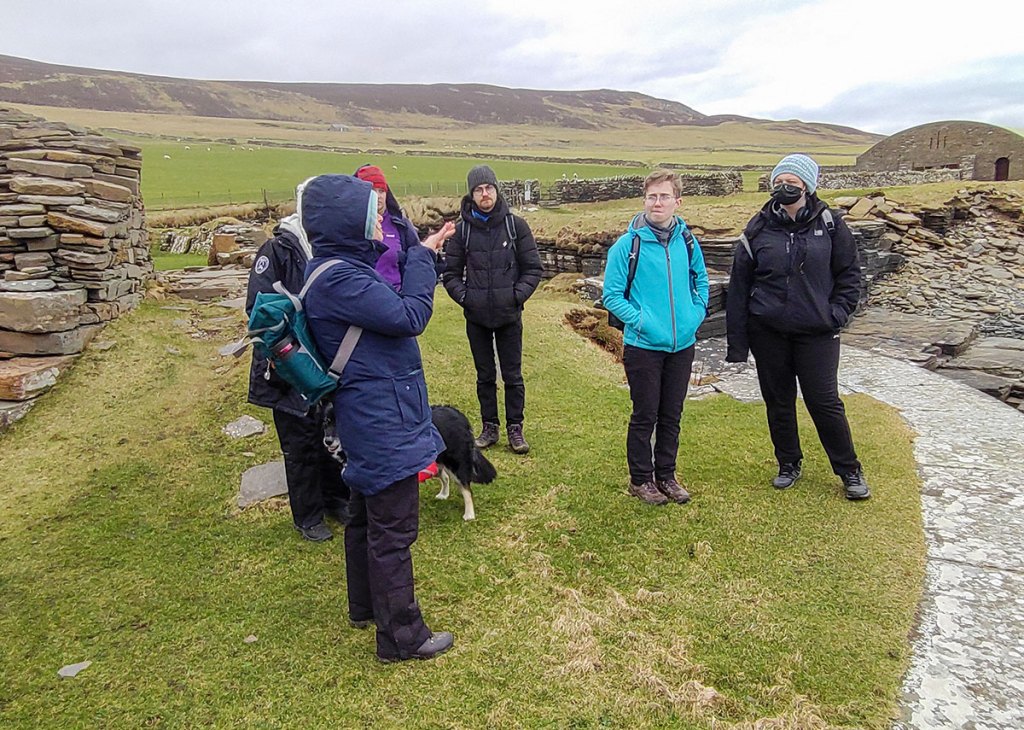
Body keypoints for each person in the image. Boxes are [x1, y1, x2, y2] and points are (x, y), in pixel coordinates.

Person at [302, 173, 456, 663]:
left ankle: (365, 606)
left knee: (365, 516)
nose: (378, 221)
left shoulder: (335, 268)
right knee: (394, 531)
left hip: (370, 411)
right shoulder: (341, 279)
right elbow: (410, 315)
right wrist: (425, 257)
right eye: (370, 213)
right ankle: (402, 637)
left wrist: (413, 245)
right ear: (346, 219)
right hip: (381, 416)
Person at [725, 153, 870, 500]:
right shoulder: (757, 227)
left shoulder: (831, 225)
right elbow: (740, 286)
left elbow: (850, 277)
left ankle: (849, 470)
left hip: (817, 332)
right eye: (779, 181)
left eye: (792, 182)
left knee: (824, 402)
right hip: (769, 332)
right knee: (778, 400)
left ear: (807, 186)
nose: (784, 187)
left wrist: (836, 314)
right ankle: (788, 463)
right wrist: (738, 344)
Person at [601, 170, 709, 506]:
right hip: (643, 346)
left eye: (664, 196)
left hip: (682, 345)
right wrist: (642, 321)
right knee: (645, 414)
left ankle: (666, 476)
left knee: (672, 413)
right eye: (651, 196)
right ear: (644, 200)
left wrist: (695, 314)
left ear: (678, 201)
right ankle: (640, 480)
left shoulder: (688, 242)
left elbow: (702, 282)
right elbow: (612, 295)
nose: (657, 202)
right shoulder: (627, 245)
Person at [246, 202, 349, 542]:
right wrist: (289, 347)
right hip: (286, 365)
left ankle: (336, 499)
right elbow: (259, 309)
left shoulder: (325, 246)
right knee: (299, 441)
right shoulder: (277, 251)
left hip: (323, 364)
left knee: (330, 433)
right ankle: (307, 515)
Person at [441, 165, 544, 454]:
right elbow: (450, 274)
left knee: (513, 375)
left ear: (496, 190)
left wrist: (516, 296)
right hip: (476, 318)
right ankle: (490, 427)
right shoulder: (462, 232)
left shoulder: (516, 226)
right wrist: (466, 297)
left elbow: (533, 268)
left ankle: (515, 428)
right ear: (471, 194)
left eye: (489, 188)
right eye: (478, 189)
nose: (485, 194)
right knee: (484, 374)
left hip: (509, 315)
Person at [353, 164, 422, 290]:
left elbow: (418, 263)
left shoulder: (401, 225)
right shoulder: (349, 226)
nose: (378, 196)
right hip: (360, 300)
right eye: (372, 190)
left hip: (395, 300)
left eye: (381, 191)